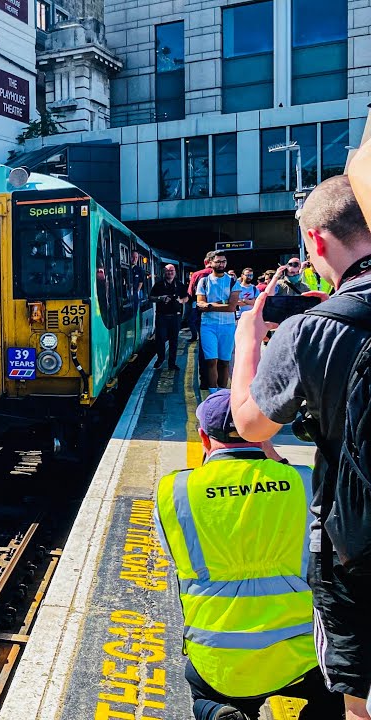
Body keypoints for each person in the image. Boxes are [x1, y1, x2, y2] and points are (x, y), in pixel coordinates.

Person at [232, 175, 371, 720]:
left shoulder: (311, 332)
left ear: (315, 244)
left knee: (358, 705)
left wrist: (249, 345)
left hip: (354, 547)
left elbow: (251, 425)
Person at [155, 391, 342, 720]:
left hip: (220, 656)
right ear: (265, 433)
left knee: (201, 687)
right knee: (337, 690)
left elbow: (177, 554)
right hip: (302, 652)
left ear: (203, 436)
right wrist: (277, 461)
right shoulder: (302, 481)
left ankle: (216, 712)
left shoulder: (174, 492)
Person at [196, 254, 238, 389]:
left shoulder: (232, 281)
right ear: (210, 263)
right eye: (218, 262)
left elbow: (232, 307)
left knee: (225, 361)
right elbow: (199, 304)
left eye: (224, 262)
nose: (221, 264)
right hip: (208, 325)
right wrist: (221, 304)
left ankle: (223, 391)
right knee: (211, 361)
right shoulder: (203, 281)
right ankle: (213, 392)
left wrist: (209, 305)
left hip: (228, 325)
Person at [151, 263, 188, 369]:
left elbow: (186, 298)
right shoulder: (158, 285)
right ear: (164, 272)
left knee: (174, 341)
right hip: (162, 316)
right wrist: (160, 298)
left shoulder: (179, 284)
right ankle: (160, 358)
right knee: (160, 339)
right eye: (168, 271)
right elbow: (151, 297)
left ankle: (172, 363)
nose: (170, 273)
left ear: (175, 272)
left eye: (172, 271)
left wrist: (180, 300)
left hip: (175, 317)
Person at [188, 251, 218, 344]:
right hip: (218, 307)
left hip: (200, 305)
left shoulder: (197, 274)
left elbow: (190, 292)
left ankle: (195, 336)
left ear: (206, 262)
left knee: (193, 321)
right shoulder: (224, 276)